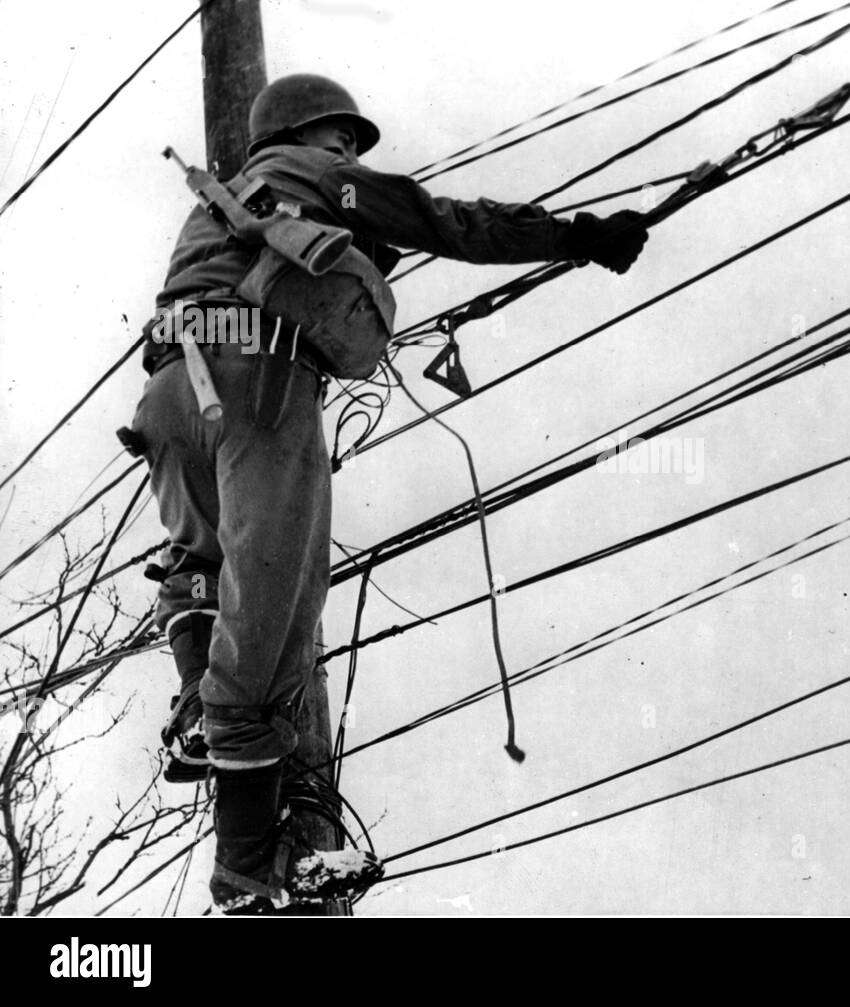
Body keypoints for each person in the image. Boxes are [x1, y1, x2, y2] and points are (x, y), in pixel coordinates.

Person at [130, 73, 648, 913]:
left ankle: (196, 709)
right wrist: (579, 235)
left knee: (200, 564)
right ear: (309, 133)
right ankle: (253, 865)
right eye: (345, 141)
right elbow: (445, 218)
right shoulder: (308, 172)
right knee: (274, 613)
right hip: (255, 381)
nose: (352, 156)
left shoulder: (218, 205)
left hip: (169, 388)